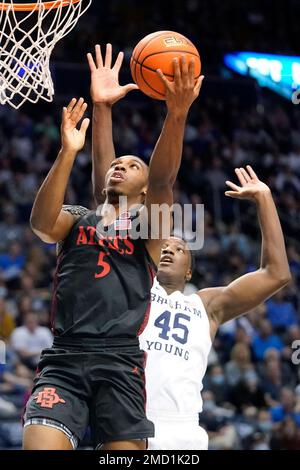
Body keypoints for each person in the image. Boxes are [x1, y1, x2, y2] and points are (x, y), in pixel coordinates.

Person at [23, 44, 203, 450]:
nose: (121, 165)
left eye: (132, 164)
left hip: (120, 363)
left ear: (142, 190)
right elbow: (41, 224)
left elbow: (162, 183)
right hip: (64, 359)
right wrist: (72, 146)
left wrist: (176, 117)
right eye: (117, 163)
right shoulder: (77, 217)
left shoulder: (150, 229)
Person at [139, 166, 291, 450]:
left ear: (189, 273)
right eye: (164, 245)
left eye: (179, 248)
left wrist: (265, 199)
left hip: (184, 428)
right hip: (130, 419)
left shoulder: (206, 305)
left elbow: (276, 274)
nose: (169, 249)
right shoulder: (133, 288)